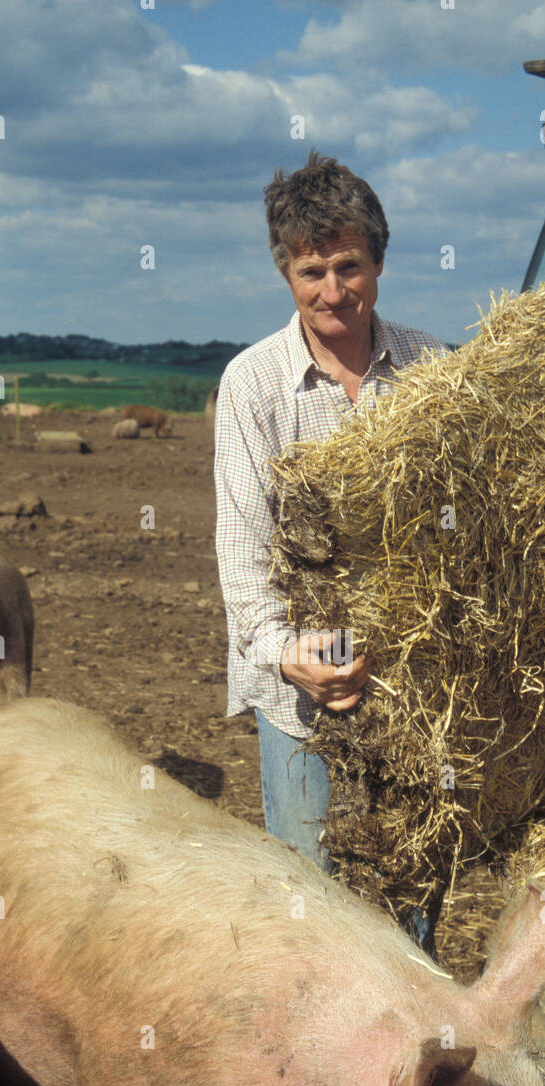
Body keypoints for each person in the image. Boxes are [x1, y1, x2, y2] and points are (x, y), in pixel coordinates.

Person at [214, 150, 448, 949]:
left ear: (378, 262)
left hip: (414, 680)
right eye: (310, 271)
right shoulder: (252, 384)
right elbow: (241, 549)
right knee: (310, 899)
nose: (332, 290)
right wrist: (290, 654)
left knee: (413, 890)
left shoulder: (432, 370)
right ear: (285, 272)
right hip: (299, 689)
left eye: (348, 266)